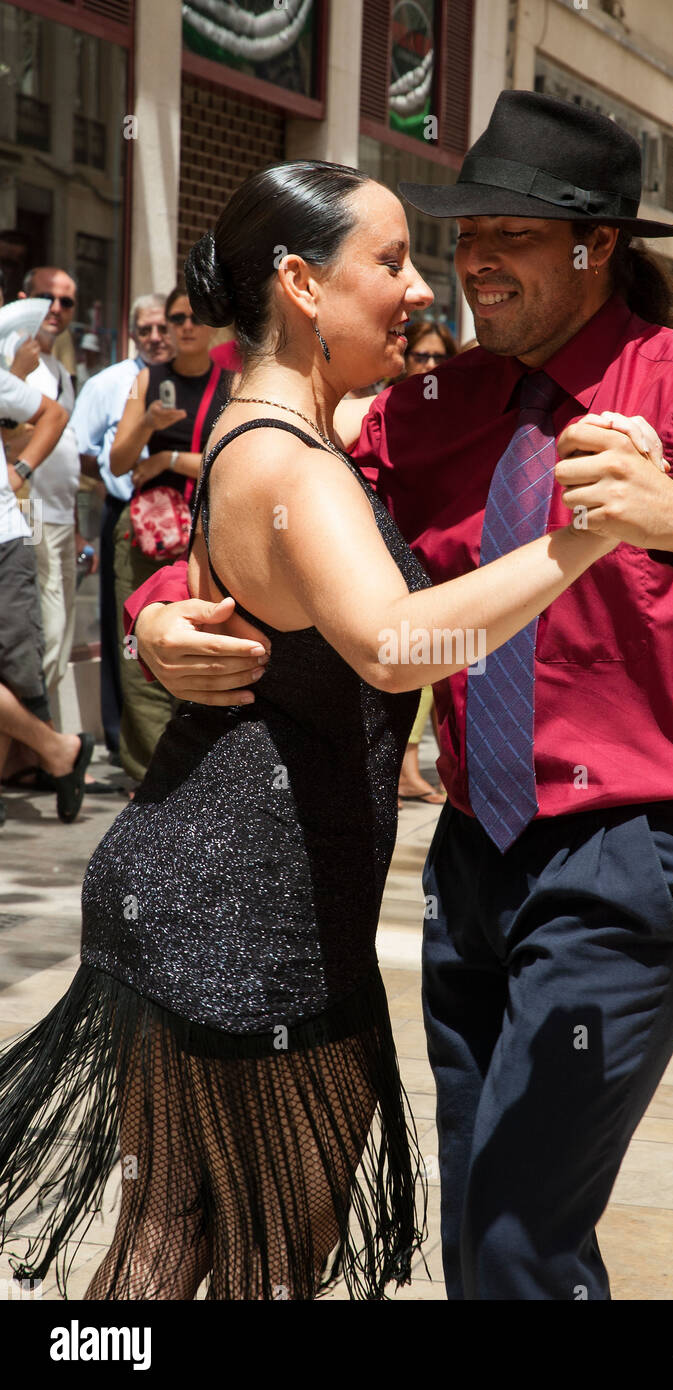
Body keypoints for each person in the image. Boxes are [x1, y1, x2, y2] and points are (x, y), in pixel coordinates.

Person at [123, 94, 673, 1301]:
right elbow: (275, 511)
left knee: (518, 1224)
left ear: (598, 247)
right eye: (461, 235)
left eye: (508, 235)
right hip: (473, 857)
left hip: (637, 854)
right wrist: (156, 609)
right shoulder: (433, 408)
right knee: (482, 1220)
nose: (469, 265)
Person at [0, 158, 625, 1301]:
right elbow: (394, 643)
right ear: (299, 281)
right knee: (267, 1254)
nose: (422, 288)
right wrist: (581, 541)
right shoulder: (294, 458)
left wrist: (152, 629)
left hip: (207, 879)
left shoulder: (267, 429)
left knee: (170, 1233)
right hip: (251, 909)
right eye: (389, 262)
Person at [109, 285, 228, 784]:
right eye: (176, 317)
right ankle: (147, 774)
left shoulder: (235, 384)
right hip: (144, 531)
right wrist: (147, 429)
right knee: (137, 644)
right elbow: (117, 462)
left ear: (214, 324)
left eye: (194, 316)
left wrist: (167, 458)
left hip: (207, 532)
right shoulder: (146, 380)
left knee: (198, 643)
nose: (184, 326)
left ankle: (192, 771)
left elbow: (233, 459)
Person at [70, 295, 172, 756]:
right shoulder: (108, 383)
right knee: (124, 631)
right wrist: (112, 479)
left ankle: (171, 742)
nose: (155, 337)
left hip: (183, 518)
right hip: (126, 515)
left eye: (162, 328)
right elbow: (77, 450)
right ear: (132, 334)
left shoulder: (192, 382)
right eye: (145, 329)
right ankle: (119, 738)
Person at [0, 364, 93, 826]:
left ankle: (47, 753)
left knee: (27, 661)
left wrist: (17, 471)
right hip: (30, 523)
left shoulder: (29, 367)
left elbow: (49, 420)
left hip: (17, 527)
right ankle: (55, 749)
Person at [0, 267, 88, 704]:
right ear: (23, 298)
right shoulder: (9, 353)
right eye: (45, 297)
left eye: (66, 301)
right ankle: (38, 751)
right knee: (43, 636)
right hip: (24, 511)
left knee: (59, 636)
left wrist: (73, 523)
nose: (55, 308)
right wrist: (20, 473)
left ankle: (35, 754)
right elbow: (8, 432)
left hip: (57, 515)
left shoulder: (60, 368)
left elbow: (64, 446)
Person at [395, 318, 458, 806]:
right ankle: (403, 769)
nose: (432, 366)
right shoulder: (384, 410)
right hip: (394, 548)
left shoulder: (452, 413)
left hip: (437, 551)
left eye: (440, 358)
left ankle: (411, 767)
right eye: (423, 356)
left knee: (433, 663)